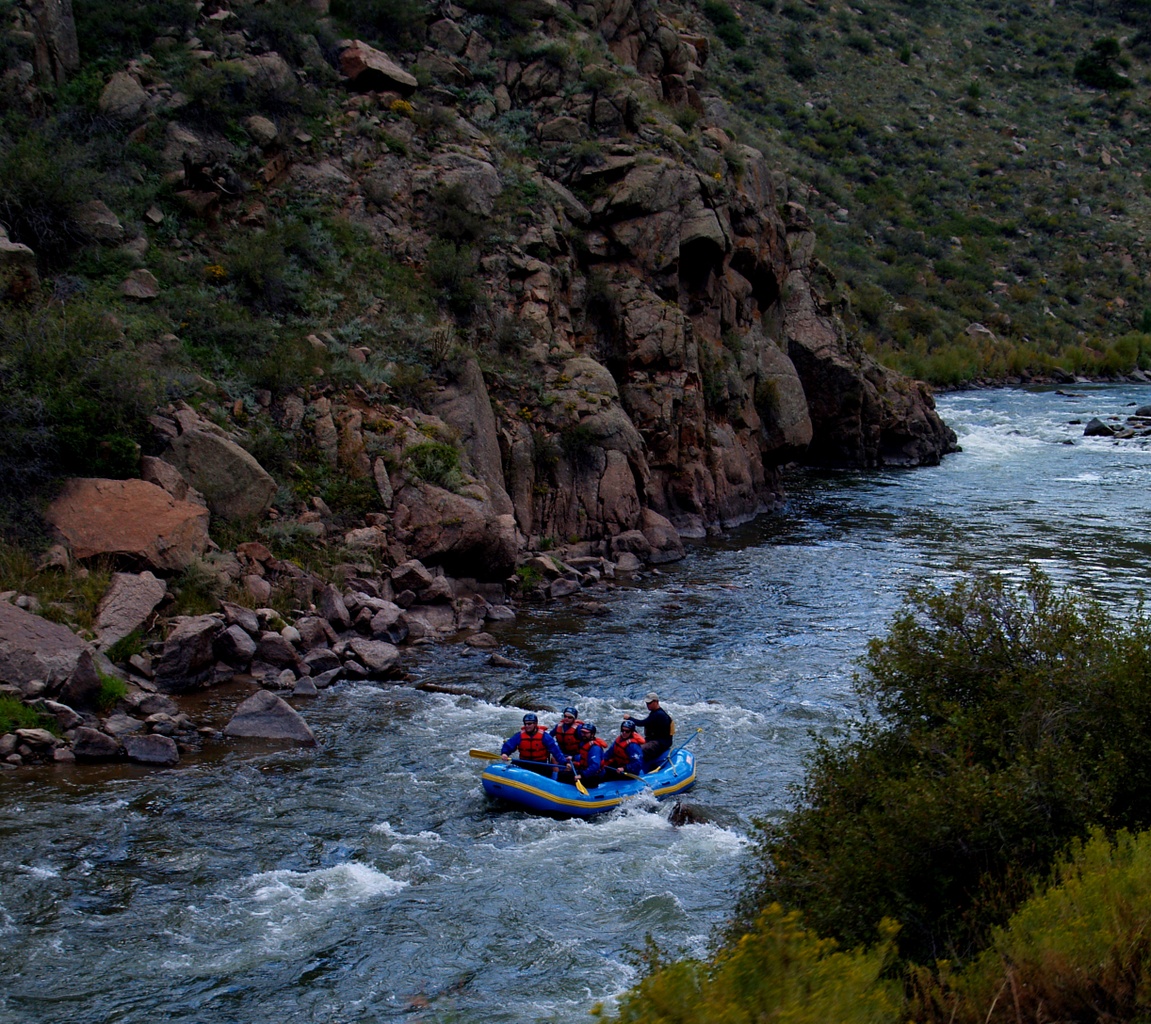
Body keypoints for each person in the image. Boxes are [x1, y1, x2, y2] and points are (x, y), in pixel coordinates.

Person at [502, 713, 568, 776]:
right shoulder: (519, 736)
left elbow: (556, 752)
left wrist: (565, 763)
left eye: (529, 724)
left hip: (540, 765)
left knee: (548, 771)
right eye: (525, 724)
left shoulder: (545, 737)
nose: (527, 726)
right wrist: (505, 753)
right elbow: (509, 745)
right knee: (513, 764)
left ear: (535, 724)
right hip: (524, 763)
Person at [630, 691, 674, 767]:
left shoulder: (659, 714)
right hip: (652, 739)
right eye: (647, 703)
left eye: (649, 703)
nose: (648, 705)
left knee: (640, 750)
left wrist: (630, 718)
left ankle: (637, 765)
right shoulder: (654, 713)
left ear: (656, 702)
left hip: (660, 742)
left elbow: (642, 723)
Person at [570, 721, 607, 788]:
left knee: (565, 778)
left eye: (586, 733)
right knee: (564, 773)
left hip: (594, 776)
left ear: (592, 734)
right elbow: (583, 757)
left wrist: (582, 775)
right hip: (585, 771)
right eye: (582, 732)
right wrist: (573, 758)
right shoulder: (584, 743)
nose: (583, 734)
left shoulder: (595, 748)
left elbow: (595, 766)